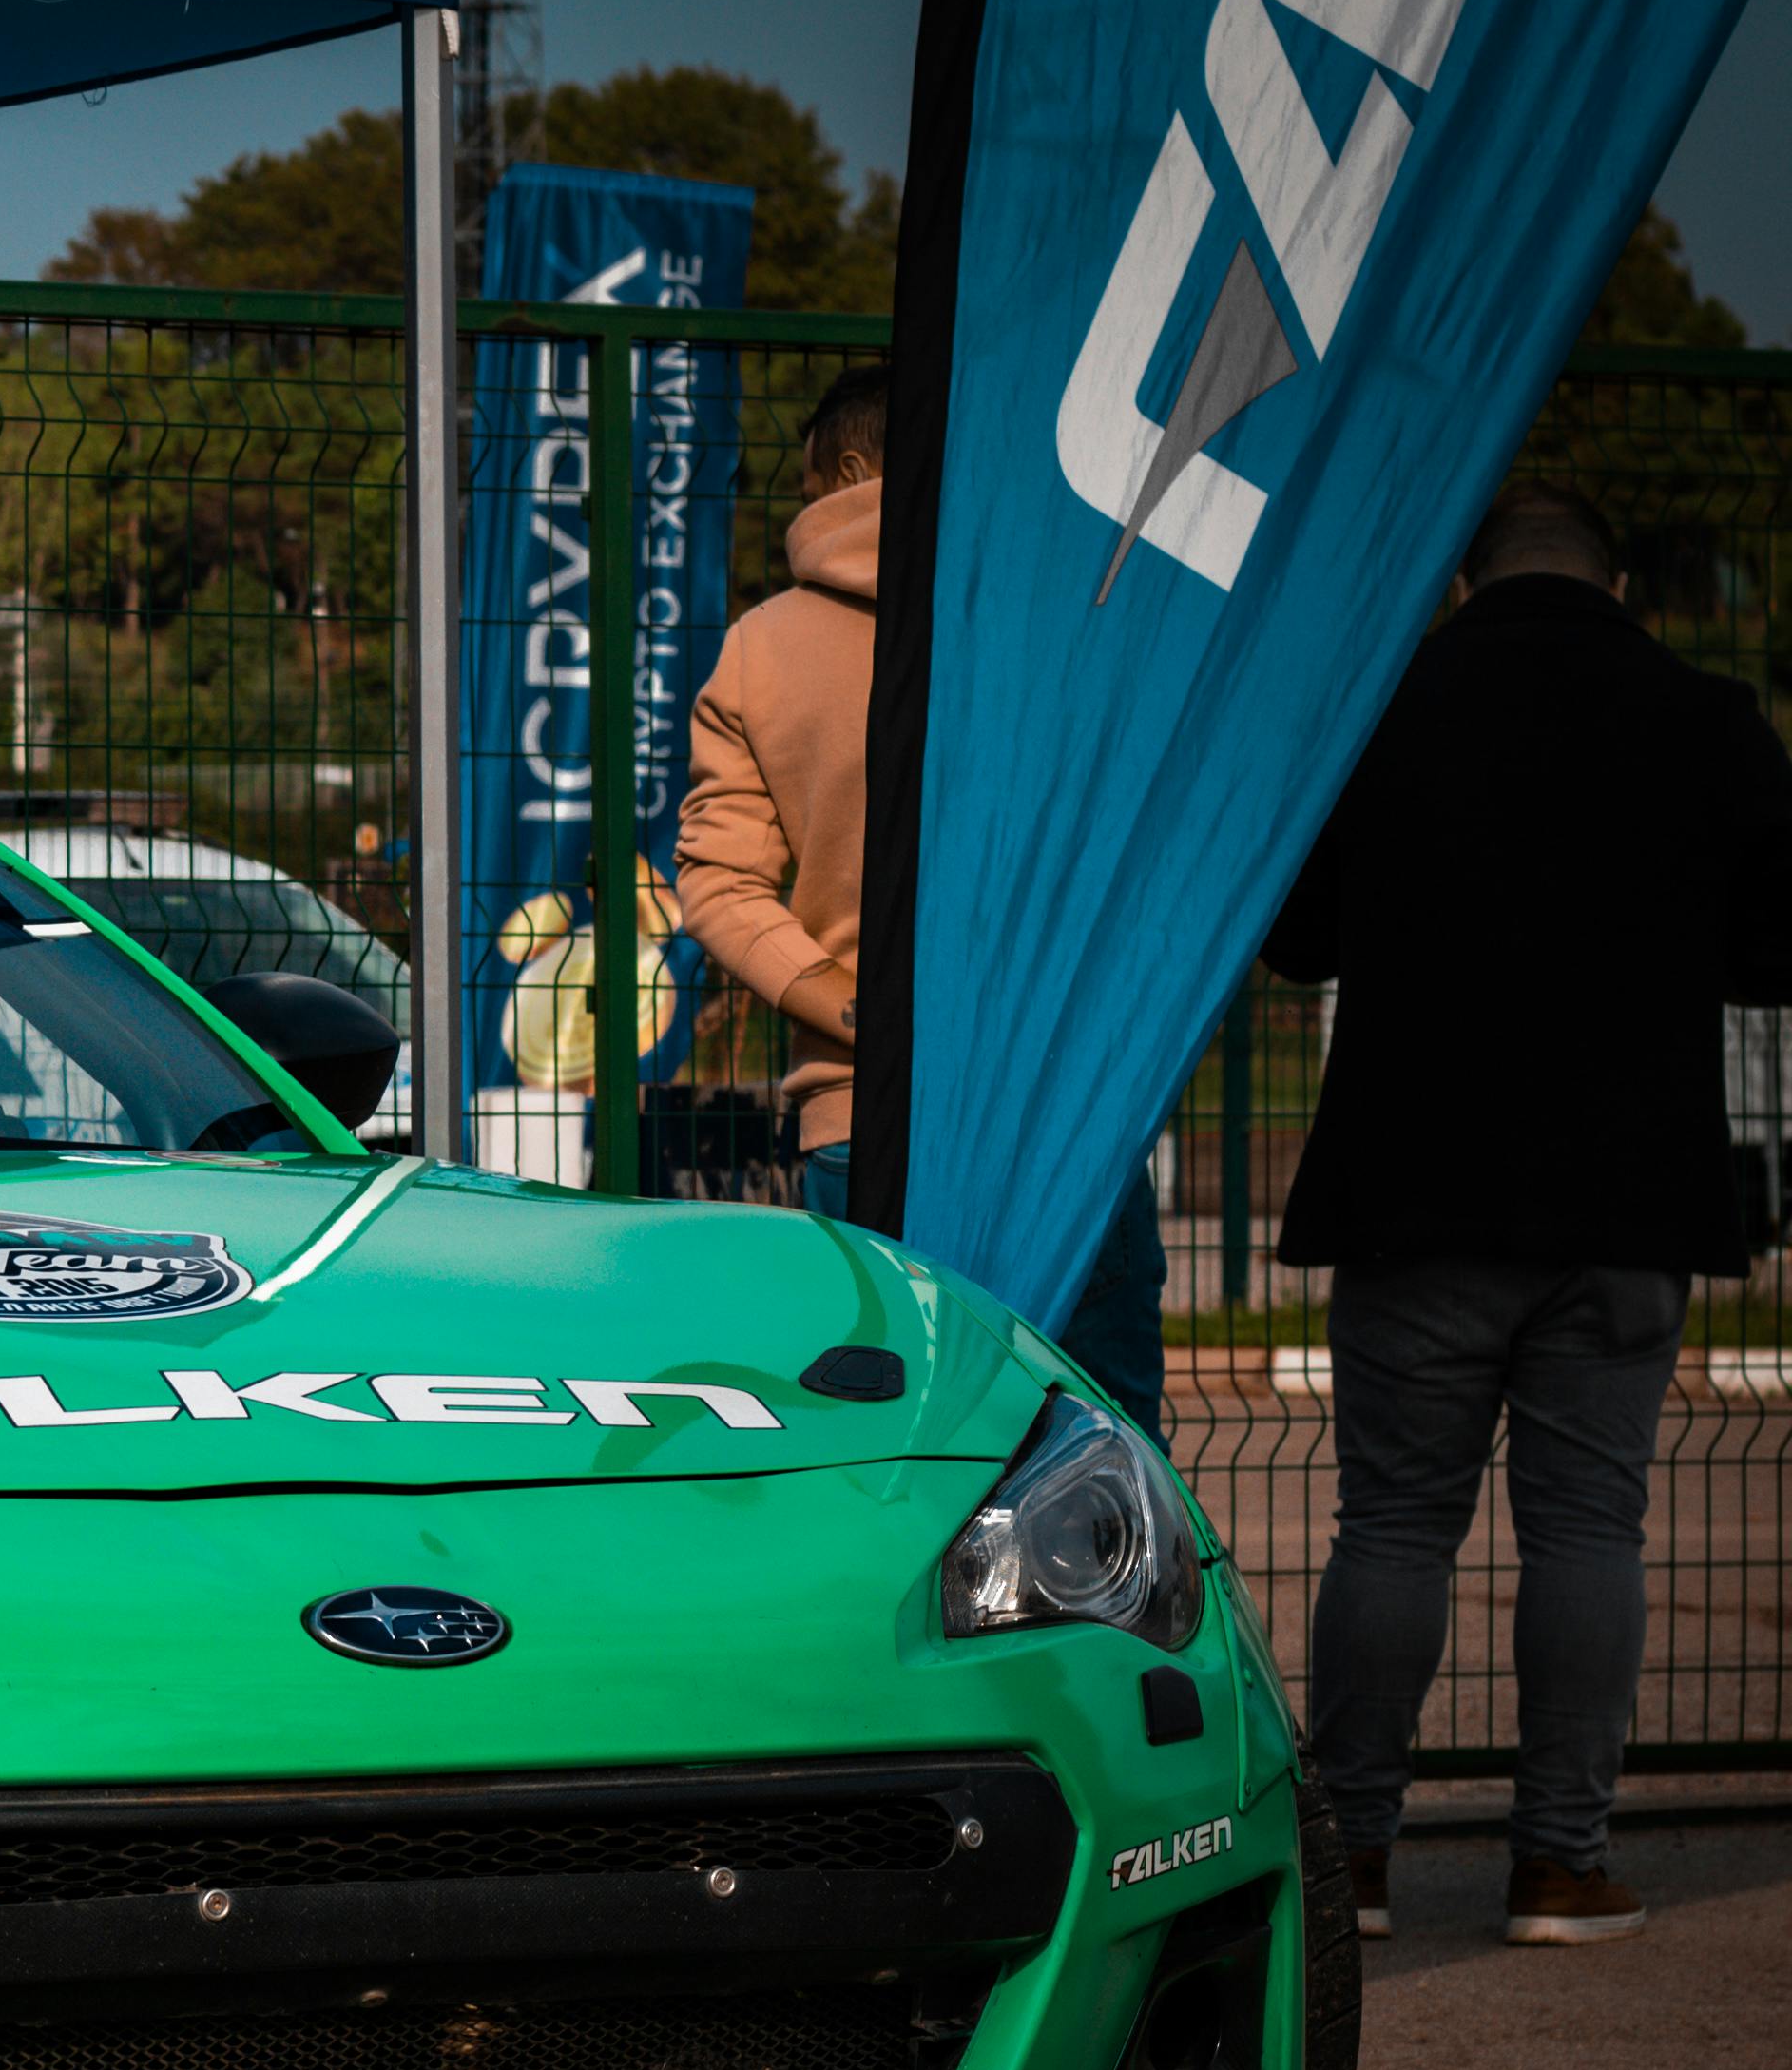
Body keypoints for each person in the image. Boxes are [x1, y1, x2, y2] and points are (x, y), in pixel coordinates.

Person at [1262, 479, 1792, 1947]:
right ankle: (1560, 1863)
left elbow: (1299, 945)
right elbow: (1772, 951)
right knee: (1588, 1531)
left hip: (1413, 1189)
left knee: (1393, 1529)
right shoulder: (1710, 715)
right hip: (1630, 1198)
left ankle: (1354, 1857)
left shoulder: (1384, 703)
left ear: (1459, 584)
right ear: (1615, 586)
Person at [676, 365, 1170, 1429]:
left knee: (895, 1454)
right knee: (1105, 1449)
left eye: (812, 486)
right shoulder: (1073, 613)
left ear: (852, 472)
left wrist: (846, 1004)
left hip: (867, 1111)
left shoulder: (761, 649)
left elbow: (717, 881)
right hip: (1066, 1100)